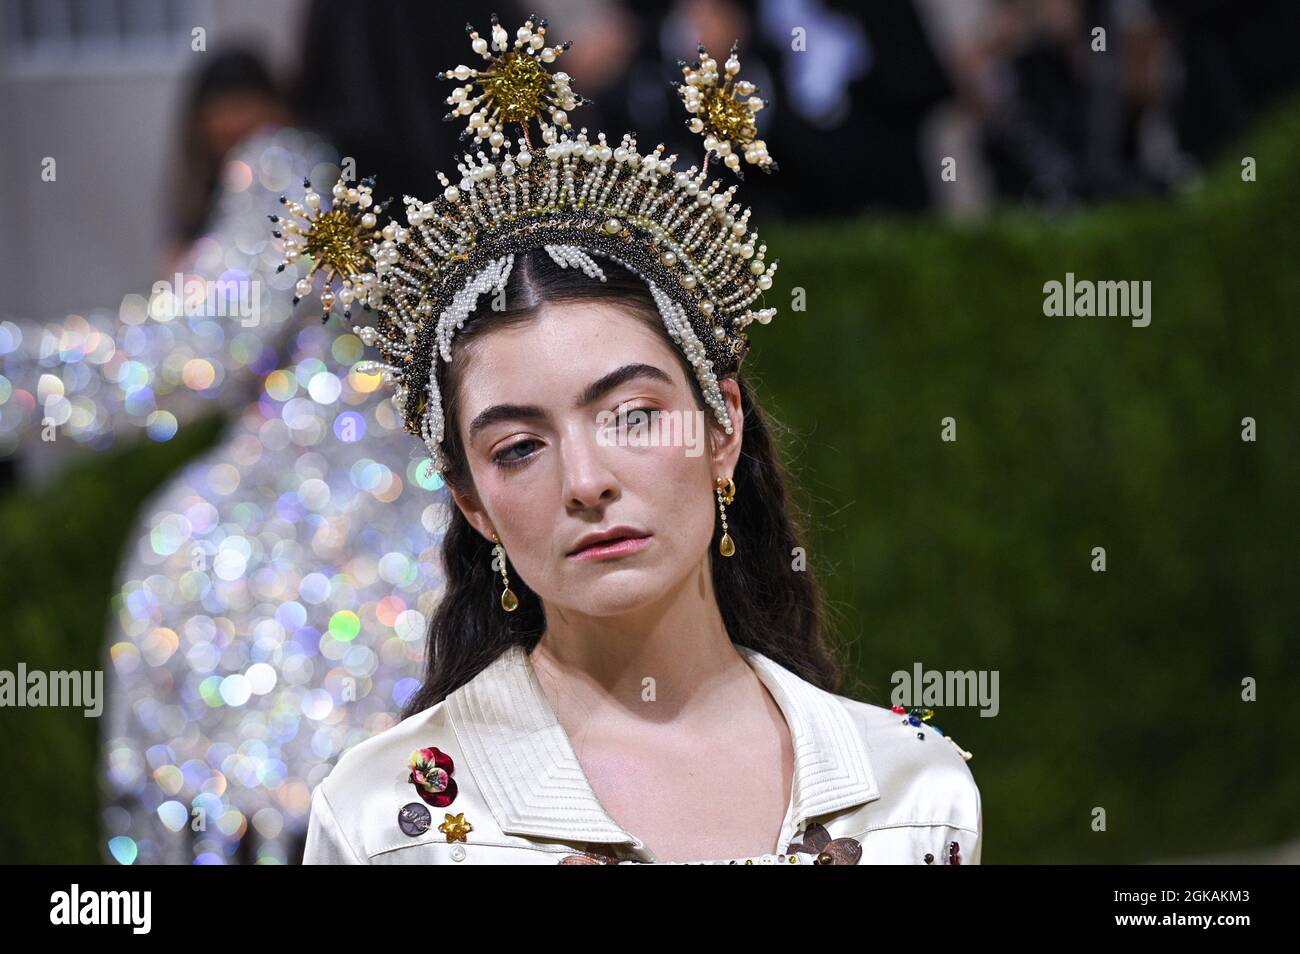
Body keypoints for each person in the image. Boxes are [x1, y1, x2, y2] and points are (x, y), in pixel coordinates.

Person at [293, 15, 982, 864]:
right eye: (518, 448)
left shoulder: (913, 788)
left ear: (721, 427)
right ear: (471, 502)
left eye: (632, 415)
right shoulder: (391, 819)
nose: (586, 481)